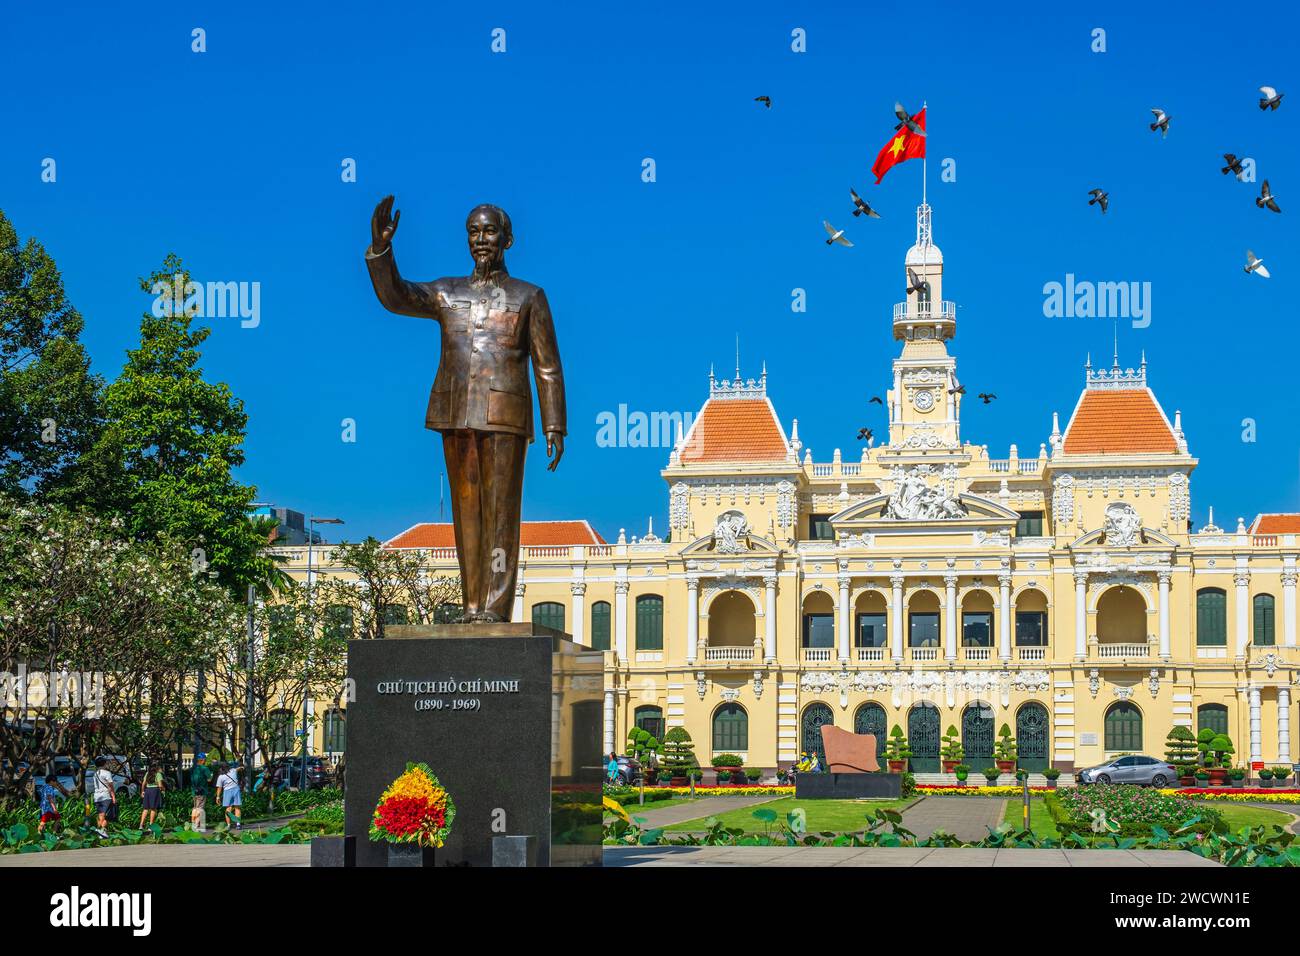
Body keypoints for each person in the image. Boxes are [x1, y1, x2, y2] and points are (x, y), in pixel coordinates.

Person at [92, 756, 116, 838]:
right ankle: (101, 829)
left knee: (100, 815)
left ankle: (101, 834)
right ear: (104, 763)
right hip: (105, 796)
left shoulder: (95, 774)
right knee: (106, 815)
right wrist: (113, 796)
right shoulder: (107, 773)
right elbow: (111, 786)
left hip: (97, 797)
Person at [138, 762, 165, 830]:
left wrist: (142, 791)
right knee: (153, 808)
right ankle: (151, 825)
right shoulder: (158, 774)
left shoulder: (147, 773)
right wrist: (163, 789)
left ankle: (141, 825)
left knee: (145, 809)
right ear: (157, 768)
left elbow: (143, 783)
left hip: (147, 791)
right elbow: (160, 785)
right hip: (155, 791)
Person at [215, 762, 242, 830]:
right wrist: (241, 767)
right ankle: (238, 824)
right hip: (236, 790)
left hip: (227, 792)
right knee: (237, 807)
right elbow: (238, 769)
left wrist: (218, 797)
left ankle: (228, 825)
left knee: (228, 809)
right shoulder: (233, 771)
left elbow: (219, 788)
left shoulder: (221, 777)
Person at [189, 752, 211, 832]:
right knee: (200, 808)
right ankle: (196, 825)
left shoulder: (193, 768)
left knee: (195, 808)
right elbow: (209, 779)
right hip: (202, 791)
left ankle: (193, 823)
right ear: (203, 760)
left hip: (194, 791)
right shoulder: (205, 769)